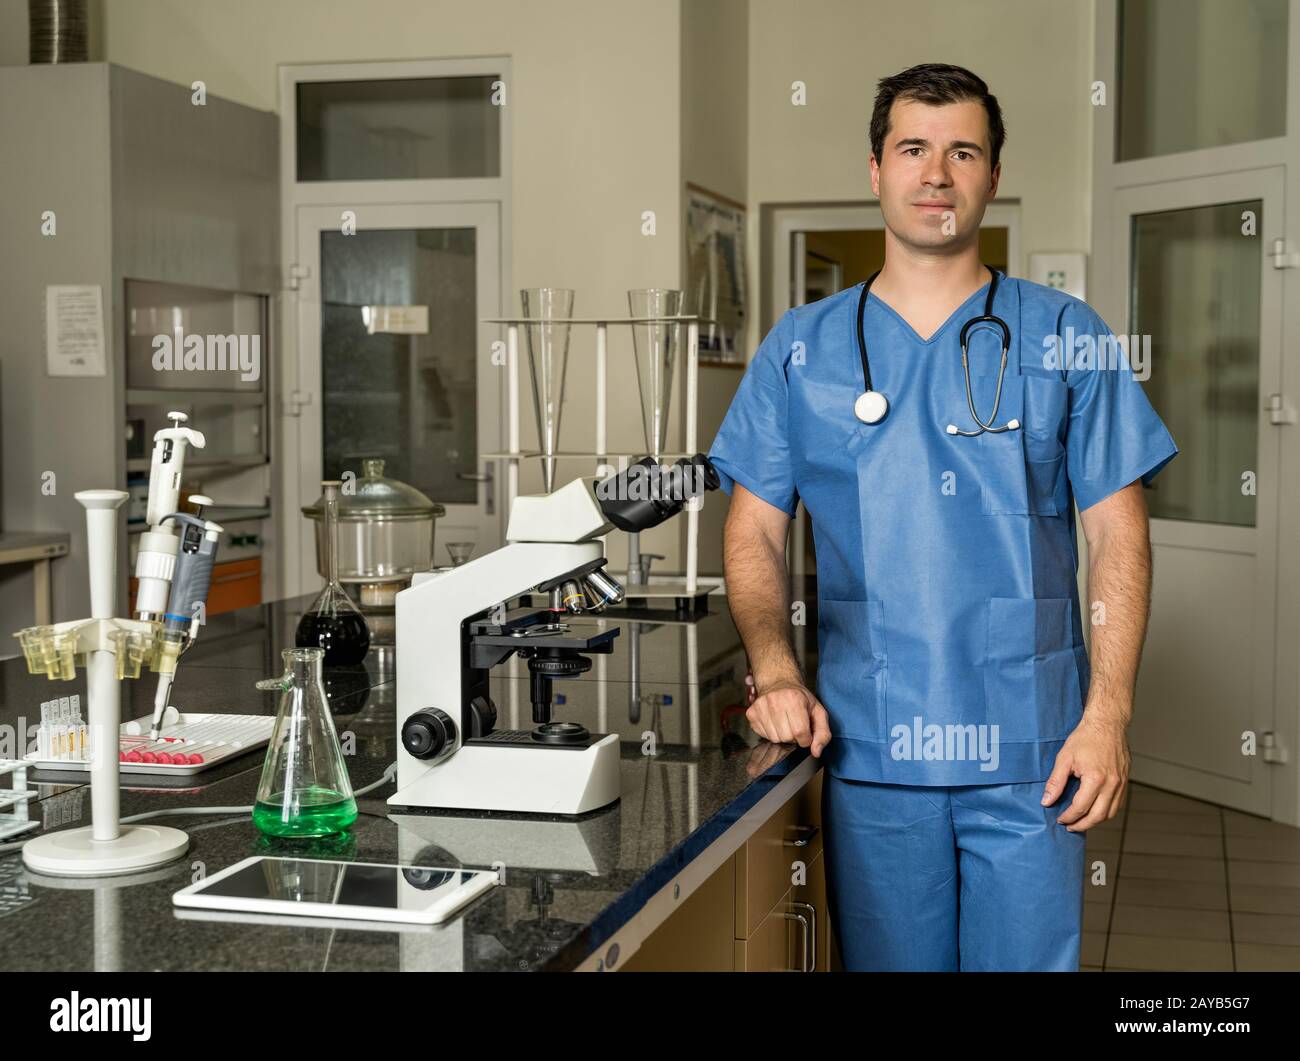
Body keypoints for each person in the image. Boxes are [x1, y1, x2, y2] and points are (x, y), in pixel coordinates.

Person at [707, 63, 1177, 972]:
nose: (936, 174)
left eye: (963, 151)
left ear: (993, 177)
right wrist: (773, 669)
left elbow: (1117, 531)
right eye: (913, 149)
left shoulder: (1066, 333)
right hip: (872, 747)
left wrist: (1109, 713)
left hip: (1033, 750)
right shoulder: (799, 350)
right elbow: (756, 527)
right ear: (875, 169)